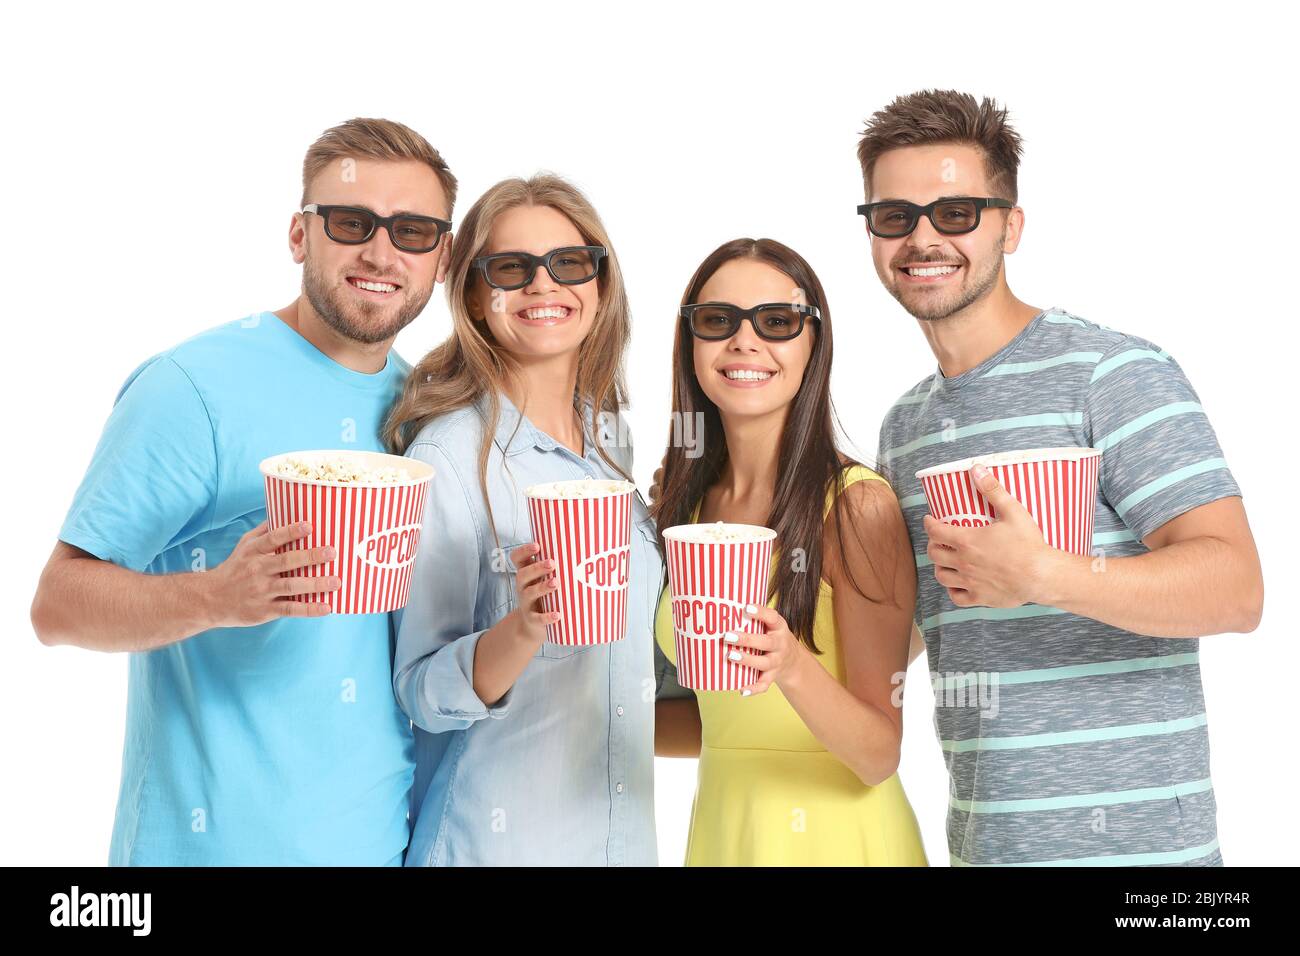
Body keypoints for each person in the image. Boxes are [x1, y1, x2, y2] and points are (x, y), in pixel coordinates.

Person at [29, 118, 456, 865]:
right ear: (300, 235)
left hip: (377, 845)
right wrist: (217, 596)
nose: (382, 252)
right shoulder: (192, 388)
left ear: (441, 257)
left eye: (413, 230)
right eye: (352, 222)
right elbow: (57, 605)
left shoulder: (424, 411)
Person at [863, 89, 1264, 866]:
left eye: (955, 212)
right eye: (894, 216)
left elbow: (1238, 588)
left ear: (1010, 225)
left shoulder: (1112, 373)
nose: (922, 238)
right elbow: (917, 626)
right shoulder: (904, 429)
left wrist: (1045, 573)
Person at [385, 174, 661, 866]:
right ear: (476, 297)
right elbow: (419, 689)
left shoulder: (610, 445)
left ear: (599, 285)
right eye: (512, 269)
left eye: (569, 264)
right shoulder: (450, 456)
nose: (545, 287)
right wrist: (525, 627)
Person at [651, 237, 928, 866]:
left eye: (776, 322)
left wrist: (791, 665)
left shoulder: (857, 507)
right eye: (719, 321)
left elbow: (878, 754)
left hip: (841, 841)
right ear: (690, 341)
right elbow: (724, 725)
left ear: (813, 345)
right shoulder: (678, 507)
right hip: (726, 832)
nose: (745, 342)